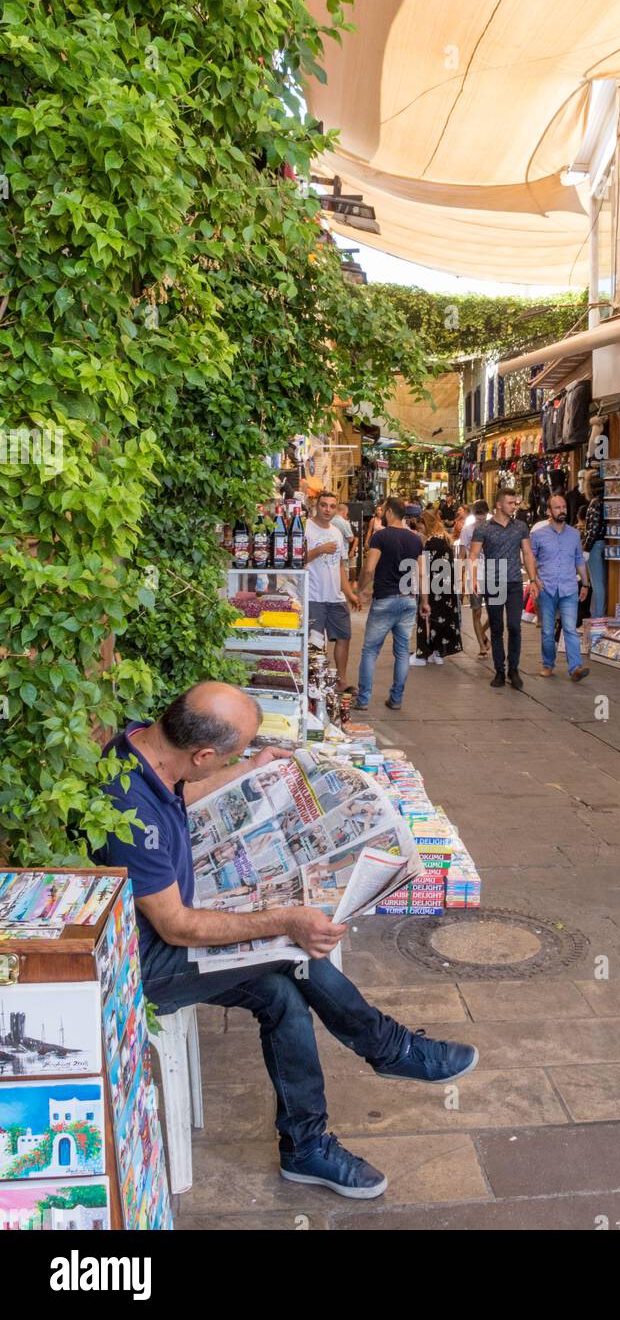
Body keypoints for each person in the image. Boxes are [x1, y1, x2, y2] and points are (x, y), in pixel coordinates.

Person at [98, 683, 478, 1198]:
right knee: (291, 954)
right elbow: (176, 927)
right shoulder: (131, 813)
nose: (239, 759)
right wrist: (283, 921)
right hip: (148, 962)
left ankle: (306, 1146)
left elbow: (181, 787)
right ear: (202, 752)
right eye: (232, 755)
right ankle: (387, 1049)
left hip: (168, 931)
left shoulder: (143, 747)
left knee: (283, 996)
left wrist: (248, 772)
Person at [355, 498, 431, 711]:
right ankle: (396, 698)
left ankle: (363, 699)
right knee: (402, 651)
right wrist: (424, 602)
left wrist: (359, 590)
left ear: (389, 512)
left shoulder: (380, 536)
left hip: (385, 599)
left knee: (370, 651)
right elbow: (423, 573)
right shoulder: (416, 540)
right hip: (408, 600)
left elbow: (369, 568)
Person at [469, 487, 540, 690]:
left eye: (515, 502)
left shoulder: (520, 527)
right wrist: (472, 579)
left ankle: (514, 669)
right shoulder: (483, 528)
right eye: (510, 502)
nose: (514, 506)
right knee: (497, 627)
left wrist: (533, 581)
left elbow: (527, 554)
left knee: (515, 627)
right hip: (493, 582)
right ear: (499, 505)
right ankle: (499, 671)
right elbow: (473, 556)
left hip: (515, 583)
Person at [531, 493, 591, 681]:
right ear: (549, 511)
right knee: (548, 630)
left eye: (564, 507)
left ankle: (575, 668)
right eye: (557, 507)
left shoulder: (574, 534)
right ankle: (548, 664)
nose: (562, 510)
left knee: (570, 629)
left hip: (569, 588)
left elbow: (579, 560)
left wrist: (585, 584)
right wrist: (534, 579)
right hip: (546, 588)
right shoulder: (537, 535)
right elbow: (529, 558)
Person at [304, 491, 359, 692]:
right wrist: (319, 550)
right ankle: (314, 682)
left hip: (335, 597)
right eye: (323, 505)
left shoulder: (336, 531)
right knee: (315, 643)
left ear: (336, 509)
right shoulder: (305, 528)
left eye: (332, 506)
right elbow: (295, 561)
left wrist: (349, 594)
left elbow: (339, 567)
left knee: (344, 636)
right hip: (313, 596)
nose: (327, 509)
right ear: (316, 506)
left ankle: (341, 680)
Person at [412, 509, 463, 666]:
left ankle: (423, 654)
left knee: (427, 616)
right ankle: (438, 652)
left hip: (433, 586)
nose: (419, 529)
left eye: (420, 525)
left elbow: (424, 568)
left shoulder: (431, 542)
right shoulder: (445, 539)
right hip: (447, 587)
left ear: (425, 524)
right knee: (443, 618)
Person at [458, 499, 490, 658]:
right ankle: (481, 645)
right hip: (473, 574)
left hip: (492, 572)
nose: (481, 519)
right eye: (478, 516)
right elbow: (462, 555)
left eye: (483, 516)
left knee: (495, 611)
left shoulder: (493, 528)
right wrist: (461, 577)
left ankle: (483, 631)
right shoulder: (466, 530)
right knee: (476, 610)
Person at [583, 474, 609, 617]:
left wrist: (586, 548)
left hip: (595, 545)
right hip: (606, 542)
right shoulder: (607, 501)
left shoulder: (595, 503)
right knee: (602, 582)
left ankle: (597, 616)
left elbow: (592, 528)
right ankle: (598, 613)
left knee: (597, 583)